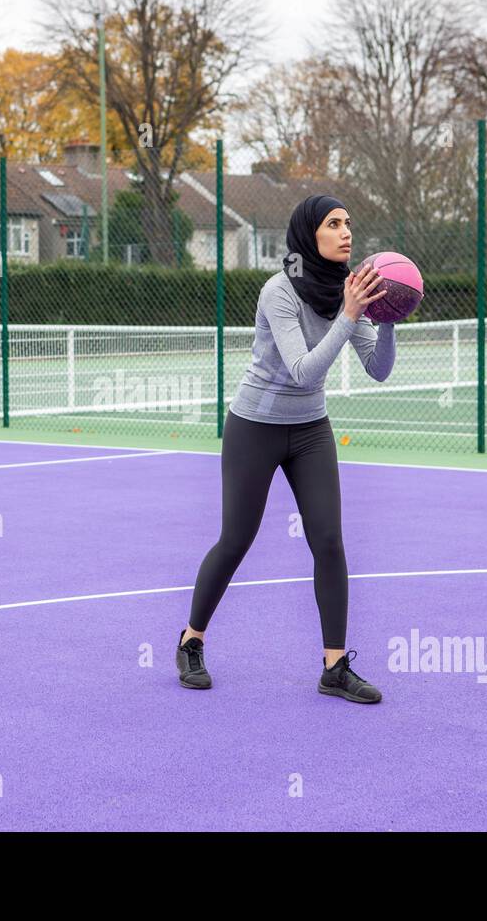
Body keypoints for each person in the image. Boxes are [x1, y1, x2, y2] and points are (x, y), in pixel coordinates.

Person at [176, 194, 397, 704]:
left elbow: (378, 369)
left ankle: (335, 667)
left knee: (329, 540)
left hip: (310, 429)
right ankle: (191, 641)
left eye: (349, 224)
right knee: (236, 540)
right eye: (334, 224)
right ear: (308, 235)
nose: (346, 232)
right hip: (255, 426)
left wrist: (385, 318)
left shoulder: (350, 292)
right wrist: (349, 314)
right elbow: (303, 370)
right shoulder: (279, 291)